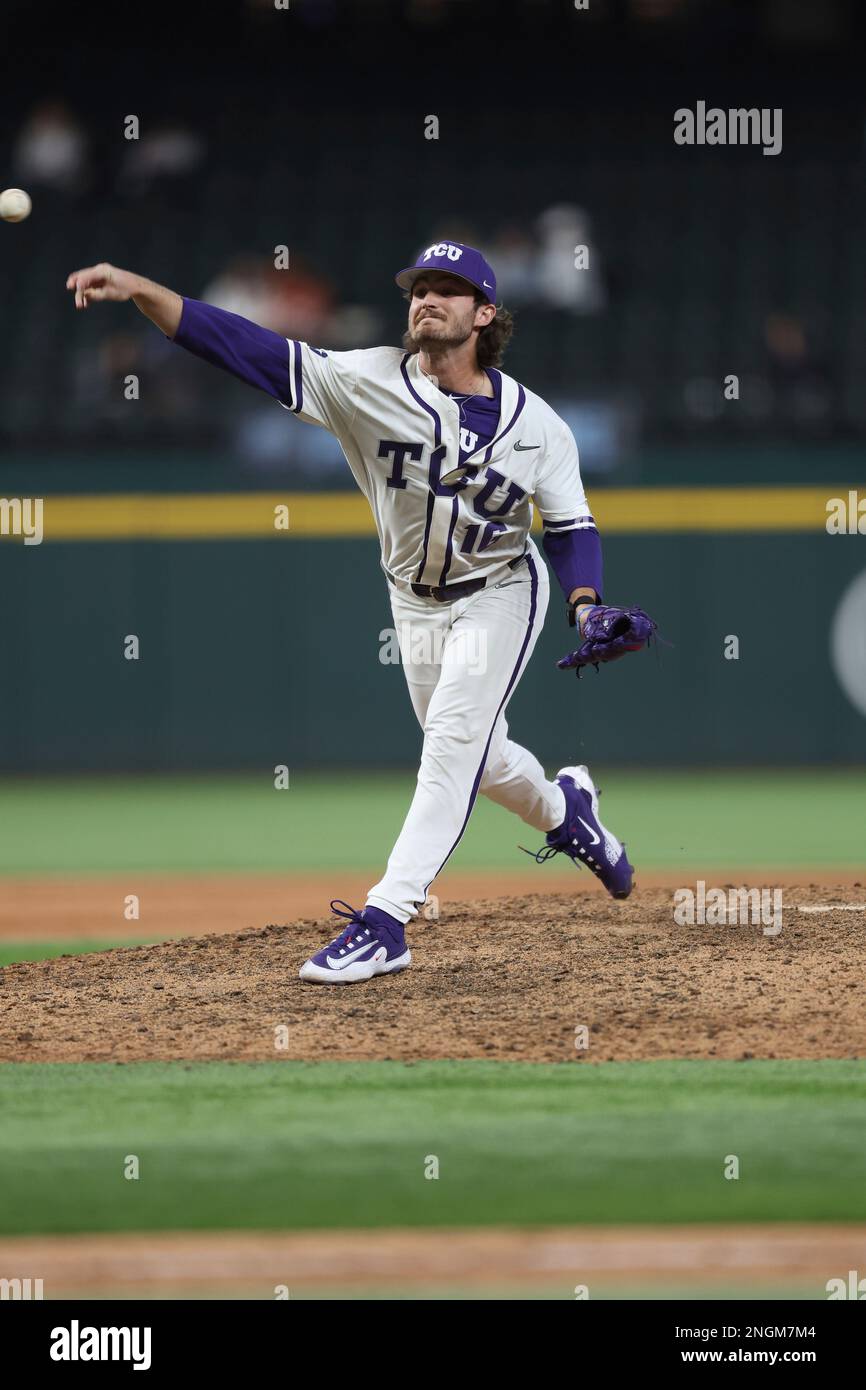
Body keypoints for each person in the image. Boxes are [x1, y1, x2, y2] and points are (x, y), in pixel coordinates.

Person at [66, 241, 652, 985]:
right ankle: (571, 813)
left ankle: (386, 922)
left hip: (503, 589)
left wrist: (585, 605)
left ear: (486, 314)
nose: (428, 299)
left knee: (450, 743)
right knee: (485, 761)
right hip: (413, 600)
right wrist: (141, 283)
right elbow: (235, 344)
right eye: (419, 288)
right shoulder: (363, 380)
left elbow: (570, 529)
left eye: (449, 289)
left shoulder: (541, 426)